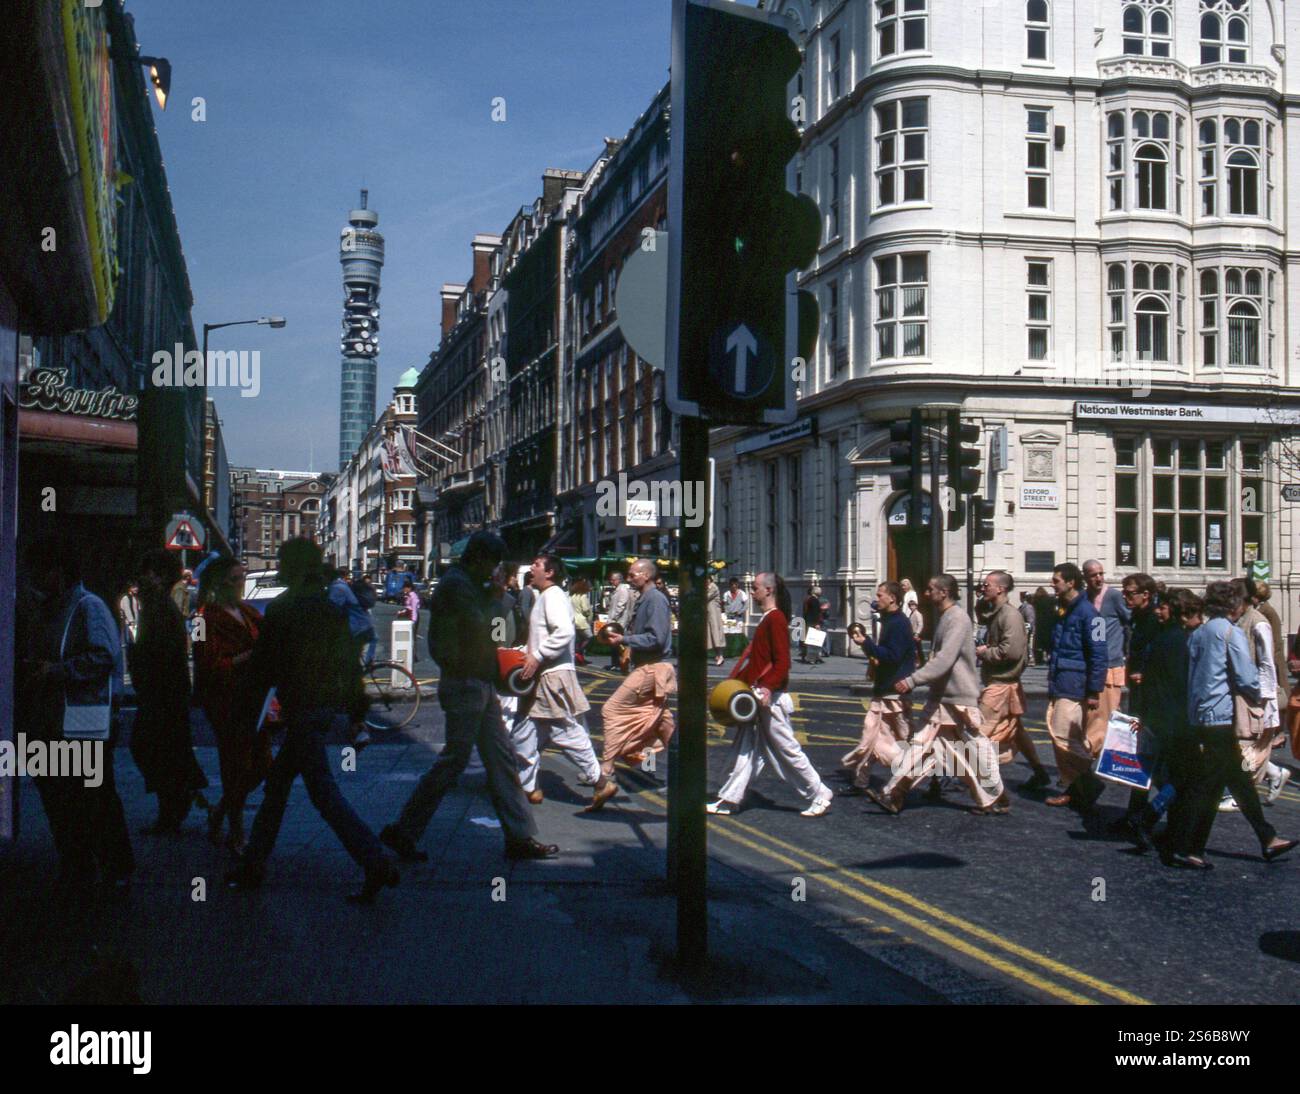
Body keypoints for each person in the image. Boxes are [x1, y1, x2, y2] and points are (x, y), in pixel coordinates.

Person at [226, 539, 399, 903]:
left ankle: (375, 860)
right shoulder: (329, 609)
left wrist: (245, 714)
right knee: (277, 785)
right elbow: (349, 665)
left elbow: (262, 669)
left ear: (293, 568)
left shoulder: (282, 610)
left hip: (301, 710)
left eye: (283, 562)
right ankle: (253, 864)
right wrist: (356, 714)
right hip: (322, 707)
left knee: (323, 794)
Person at [379, 531, 557, 862]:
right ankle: (403, 830)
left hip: (478, 681)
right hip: (465, 682)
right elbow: (485, 630)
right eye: (493, 562)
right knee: (454, 761)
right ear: (479, 558)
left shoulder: (467, 584)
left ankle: (518, 837)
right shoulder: (458, 585)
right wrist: (497, 599)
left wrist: (493, 595)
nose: (494, 570)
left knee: (501, 759)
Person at [17, 536, 134, 890]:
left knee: (94, 797)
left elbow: (102, 656)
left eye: (42, 570)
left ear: (60, 571)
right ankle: (77, 862)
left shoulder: (88, 607)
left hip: (84, 721)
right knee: (59, 797)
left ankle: (114, 867)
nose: (36, 578)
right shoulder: (45, 610)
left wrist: (55, 671)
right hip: (50, 721)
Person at [1166, 580, 1298, 869]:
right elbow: (1247, 678)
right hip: (1222, 716)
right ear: (1232, 605)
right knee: (1208, 785)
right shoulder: (1230, 632)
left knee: (1237, 779)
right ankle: (1184, 846)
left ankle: (1267, 837)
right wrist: (1263, 698)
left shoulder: (1198, 633)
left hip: (1200, 715)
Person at [866, 575, 1008, 816]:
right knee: (928, 748)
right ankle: (895, 794)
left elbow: (944, 660)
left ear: (944, 593)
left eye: (931, 590)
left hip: (956, 698)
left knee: (970, 748)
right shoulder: (947, 617)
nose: (926, 594)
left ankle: (995, 795)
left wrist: (913, 679)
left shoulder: (957, 619)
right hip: (943, 696)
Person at [708, 573, 833, 817]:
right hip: (759, 696)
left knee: (786, 751)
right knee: (747, 750)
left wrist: (766, 687)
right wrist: (734, 685)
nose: (752, 592)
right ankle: (729, 799)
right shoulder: (769, 618)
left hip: (770, 699)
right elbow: (758, 662)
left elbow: (782, 662)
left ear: (768, 591)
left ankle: (819, 792)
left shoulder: (775, 619)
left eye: (755, 588)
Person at [511, 555, 612, 807]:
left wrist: (537, 656)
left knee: (565, 730)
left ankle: (600, 781)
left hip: (551, 675)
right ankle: (528, 787)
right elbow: (543, 635)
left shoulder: (553, 596)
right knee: (525, 732)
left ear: (550, 572)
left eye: (536, 565)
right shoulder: (545, 596)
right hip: (543, 674)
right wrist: (523, 652)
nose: (531, 568)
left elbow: (564, 632)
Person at [194, 557, 270, 854]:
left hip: (254, 698)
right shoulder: (202, 619)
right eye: (236, 579)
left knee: (262, 764)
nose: (241, 584)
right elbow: (206, 665)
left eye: (243, 577)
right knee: (236, 764)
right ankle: (236, 832)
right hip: (226, 701)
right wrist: (248, 657)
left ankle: (220, 812)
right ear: (219, 583)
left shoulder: (248, 612)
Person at [129, 549, 208, 834]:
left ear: (160, 577)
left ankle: (175, 802)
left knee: (152, 748)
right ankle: (178, 798)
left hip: (163, 693)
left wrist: (142, 673)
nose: (141, 577)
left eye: (147, 571)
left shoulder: (160, 607)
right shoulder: (155, 605)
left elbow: (158, 653)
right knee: (163, 750)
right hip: (163, 692)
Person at [589, 558, 676, 810]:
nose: (629, 578)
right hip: (647, 667)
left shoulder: (655, 599)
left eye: (633, 574)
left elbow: (657, 639)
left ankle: (606, 773)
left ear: (647, 575)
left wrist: (624, 640)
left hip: (651, 668)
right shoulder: (644, 598)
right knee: (662, 723)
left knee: (612, 710)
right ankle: (687, 774)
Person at [1119, 588, 1190, 852]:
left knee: (1160, 771)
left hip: (1156, 715)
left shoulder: (1166, 637)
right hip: (1170, 718)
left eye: (1163, 607)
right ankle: (1149, 818)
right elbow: (1177, 683)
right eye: (1158, 607)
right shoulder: (1176, 639)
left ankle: (1148, 819)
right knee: (1180, 774)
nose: (1158, 611)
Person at [1043, 562, 1108, 814]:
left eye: (1056, 580)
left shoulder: (1092, 615)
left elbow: (1099, 654)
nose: (1052, 583)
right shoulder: (1064, 609)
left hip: (1075, 684)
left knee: (1063, 735)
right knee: (1064, 736)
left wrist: (1094, 691)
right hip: (1062, 680)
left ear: (1071, 583)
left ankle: (1088, 782)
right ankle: (1076, 789)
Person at [976, 571, 1050, 790]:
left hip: (1001, 684)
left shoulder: (1010, 615)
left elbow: (1012, 651)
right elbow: (983, 617)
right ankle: (1039, 772)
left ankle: (982, 785)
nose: (984, 587)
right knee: (1017, 732)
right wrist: (981, 600)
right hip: (1002, 683)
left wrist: (985, 652)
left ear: (1000, 589)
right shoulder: (999, 612)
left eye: (987, 585)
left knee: (978, 733)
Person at [839, 581, 915, 793]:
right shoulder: (890, 620)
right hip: (885, 690)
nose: (876, 598)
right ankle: (861, 781)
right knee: (871, 738)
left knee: (896, 741)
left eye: (880, 595)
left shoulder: (899, 623)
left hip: (893, 694)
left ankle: (911, 774)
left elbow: (892, 656)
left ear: (892, 598)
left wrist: (866, 642)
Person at [1222, 577, 1289, 809]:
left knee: (1248, 748)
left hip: (1257, 697)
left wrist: (1263, 697)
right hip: (1242, 694)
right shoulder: (1239, 619)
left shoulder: (1258, 622)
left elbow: (1267, 664)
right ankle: (1274, 772)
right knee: (1246, 748)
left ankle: (1243, 792)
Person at [1082, 560, 1131, 758]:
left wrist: (1126, 651)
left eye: (1101, 573)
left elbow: (1129, 622)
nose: (1099, 578)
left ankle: (1090, 762)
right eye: (1094, 575)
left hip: (1111, 664)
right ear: (1085, 576)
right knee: (1095, 716)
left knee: (1104, 716)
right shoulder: (1085, 598)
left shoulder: (1113, 596)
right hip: (1093, 664)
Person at [329, 567, 378, 666]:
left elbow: (332, 609)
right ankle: (366, 663)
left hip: (355, 628)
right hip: (365, 625)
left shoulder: (338, 588)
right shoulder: (345, 586)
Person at [569, 576, 593, 665]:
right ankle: (578, 652)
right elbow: (586, 609)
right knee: (589, 637)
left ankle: (580, 658)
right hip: (582, 620)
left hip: (574, 620)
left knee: (579, 639)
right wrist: (588, 615)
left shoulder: (572, 596)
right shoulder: (583, 596)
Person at [800, 584, 825, 665]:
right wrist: (817, 623)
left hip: (808, 621)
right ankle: (812, 658)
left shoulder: (808, 599)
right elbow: (815, 613)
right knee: (814, 641)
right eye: (820, 591)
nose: (821, 592)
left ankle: (815, 657)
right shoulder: (814, 600)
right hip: (813, 622)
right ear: (817, 592)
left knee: (811, 640)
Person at [705, 575, 726, 666]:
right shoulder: (708, 587)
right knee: (711, 635)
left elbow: (706, 597)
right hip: (709, 615)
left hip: (714, 615)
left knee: (716, 634)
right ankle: (718, 655)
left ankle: (720, 655)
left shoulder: (713, 587)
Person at [400, 576, 421, 663]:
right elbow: (407, 607)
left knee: (412, 637)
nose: (404, 590)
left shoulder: (413, 596)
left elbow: (414, 609)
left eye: (405, 588)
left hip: (413, 616)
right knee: (409, 636)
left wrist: (413, 621)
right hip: (408, 615)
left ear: (409, 588)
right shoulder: (408, 596)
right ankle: (411, 654)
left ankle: (414, 655)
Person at [118, 582, 140, 650]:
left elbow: (138, 609)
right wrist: (131, 621)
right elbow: (127, 610)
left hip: (135, 623)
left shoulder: (135, 598)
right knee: (130, 642)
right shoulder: (126, 598)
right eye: (134, 587)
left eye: (136, 587)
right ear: (129, 588)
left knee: (134, 641)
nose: (136, 589)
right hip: (130, 624)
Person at [1017, 592, 1035, 665]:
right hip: (1024, 629)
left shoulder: (1027, 607)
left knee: (1029, 644)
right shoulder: (1022, 607)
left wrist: (1028, 628)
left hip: (1027, 629)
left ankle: (1031, 658)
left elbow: (1030, 620)